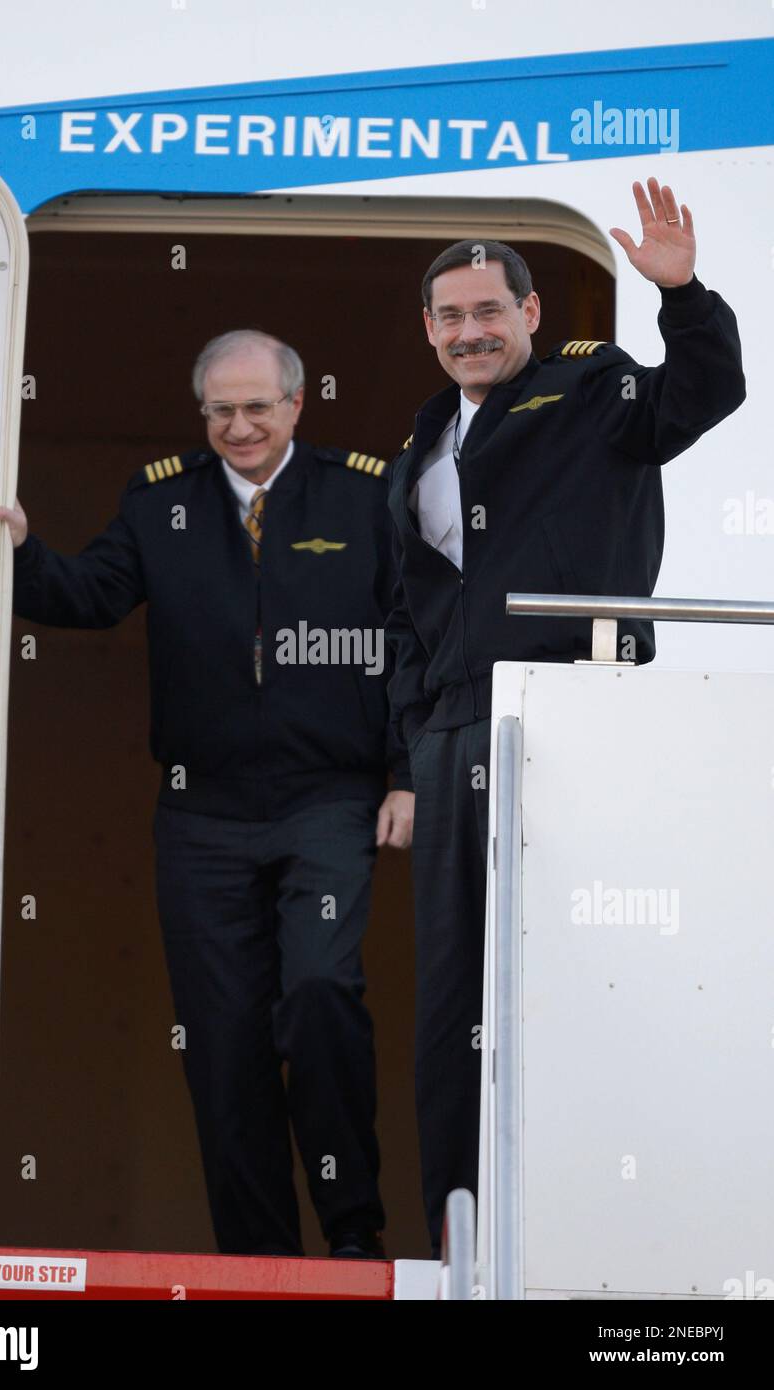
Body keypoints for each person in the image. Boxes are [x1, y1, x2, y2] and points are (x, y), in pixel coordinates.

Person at [0, 329, 414, 1258]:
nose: (239, 426)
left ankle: (352, 1231)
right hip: (201, 814)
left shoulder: (364, 492)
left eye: (258, 406)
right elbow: (90, 596)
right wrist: (20, 550)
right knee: (223, 1049)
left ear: (298, 405)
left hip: (329, 800)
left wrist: (408, 774)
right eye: (221, 410)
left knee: (317, 991)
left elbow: (414, 637)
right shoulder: (160, 502)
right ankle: (259, 1263)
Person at [385, 178, 746, 1255]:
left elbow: (703, 393)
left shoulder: (594, 389)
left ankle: (591, 1237)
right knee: (451, 998)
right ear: (427, 331)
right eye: (449, 316)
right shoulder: (415, 445)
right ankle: (457, 1235)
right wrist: (406, 756)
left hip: (577, 726)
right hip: (453, 738)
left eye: (489, 310)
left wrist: (681, 296)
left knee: (583, 977)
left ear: (530, 315)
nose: (469, 331)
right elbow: (408, 615)